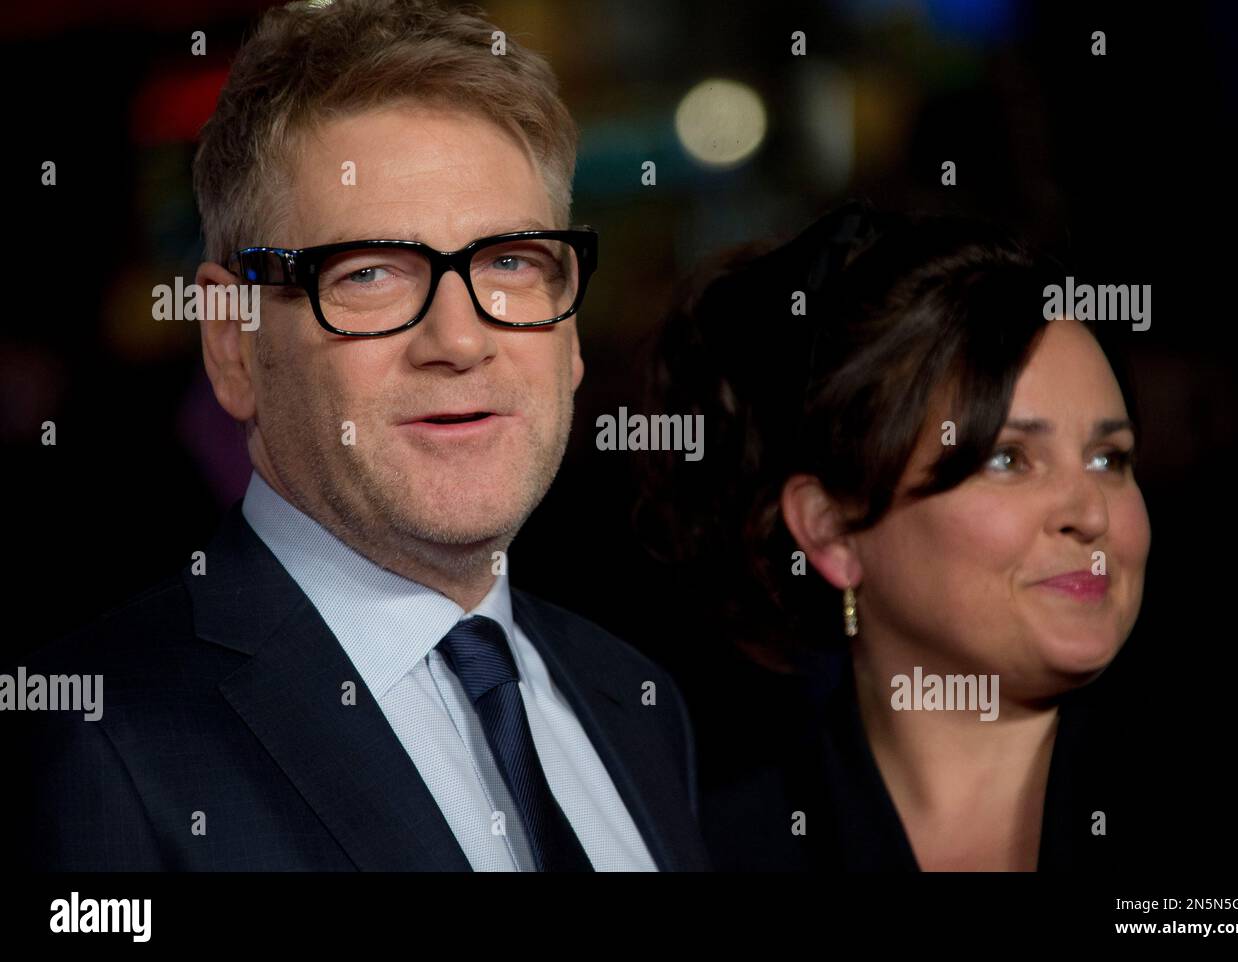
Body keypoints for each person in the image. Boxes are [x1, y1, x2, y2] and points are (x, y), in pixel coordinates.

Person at [13, 0, 709, 872]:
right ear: (233, 344)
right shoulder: (97, 747)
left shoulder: (637, 704)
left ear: (569, 332)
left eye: (510, 263)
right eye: (370, 274)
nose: (459, 341)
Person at [639, 201, 1157, 871]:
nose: (1091, 513)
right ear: (831, 532)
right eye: (1007, 459)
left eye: (1109, 459)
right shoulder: (709, 852)